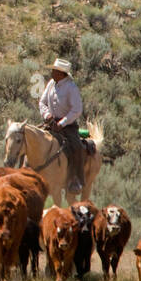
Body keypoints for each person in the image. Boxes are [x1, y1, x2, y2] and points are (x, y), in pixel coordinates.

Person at [38, 57, 85, 193]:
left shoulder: (71, 88)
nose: (52, 72)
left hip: (68, 126)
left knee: (76, 148)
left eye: (54, 70)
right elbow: (42, 102)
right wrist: (47, 115)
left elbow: (77, 110)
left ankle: (76, 180)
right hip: (50, 123)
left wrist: (63, 122)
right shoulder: (51, 84)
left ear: (61, 73)